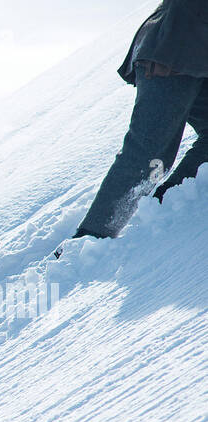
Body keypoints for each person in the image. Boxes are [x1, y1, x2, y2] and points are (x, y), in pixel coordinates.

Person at [72, 0, 208, 241]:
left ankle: (167, 204)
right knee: (150, 155)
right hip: (174, 48)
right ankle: (90, 238)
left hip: (195, 51)